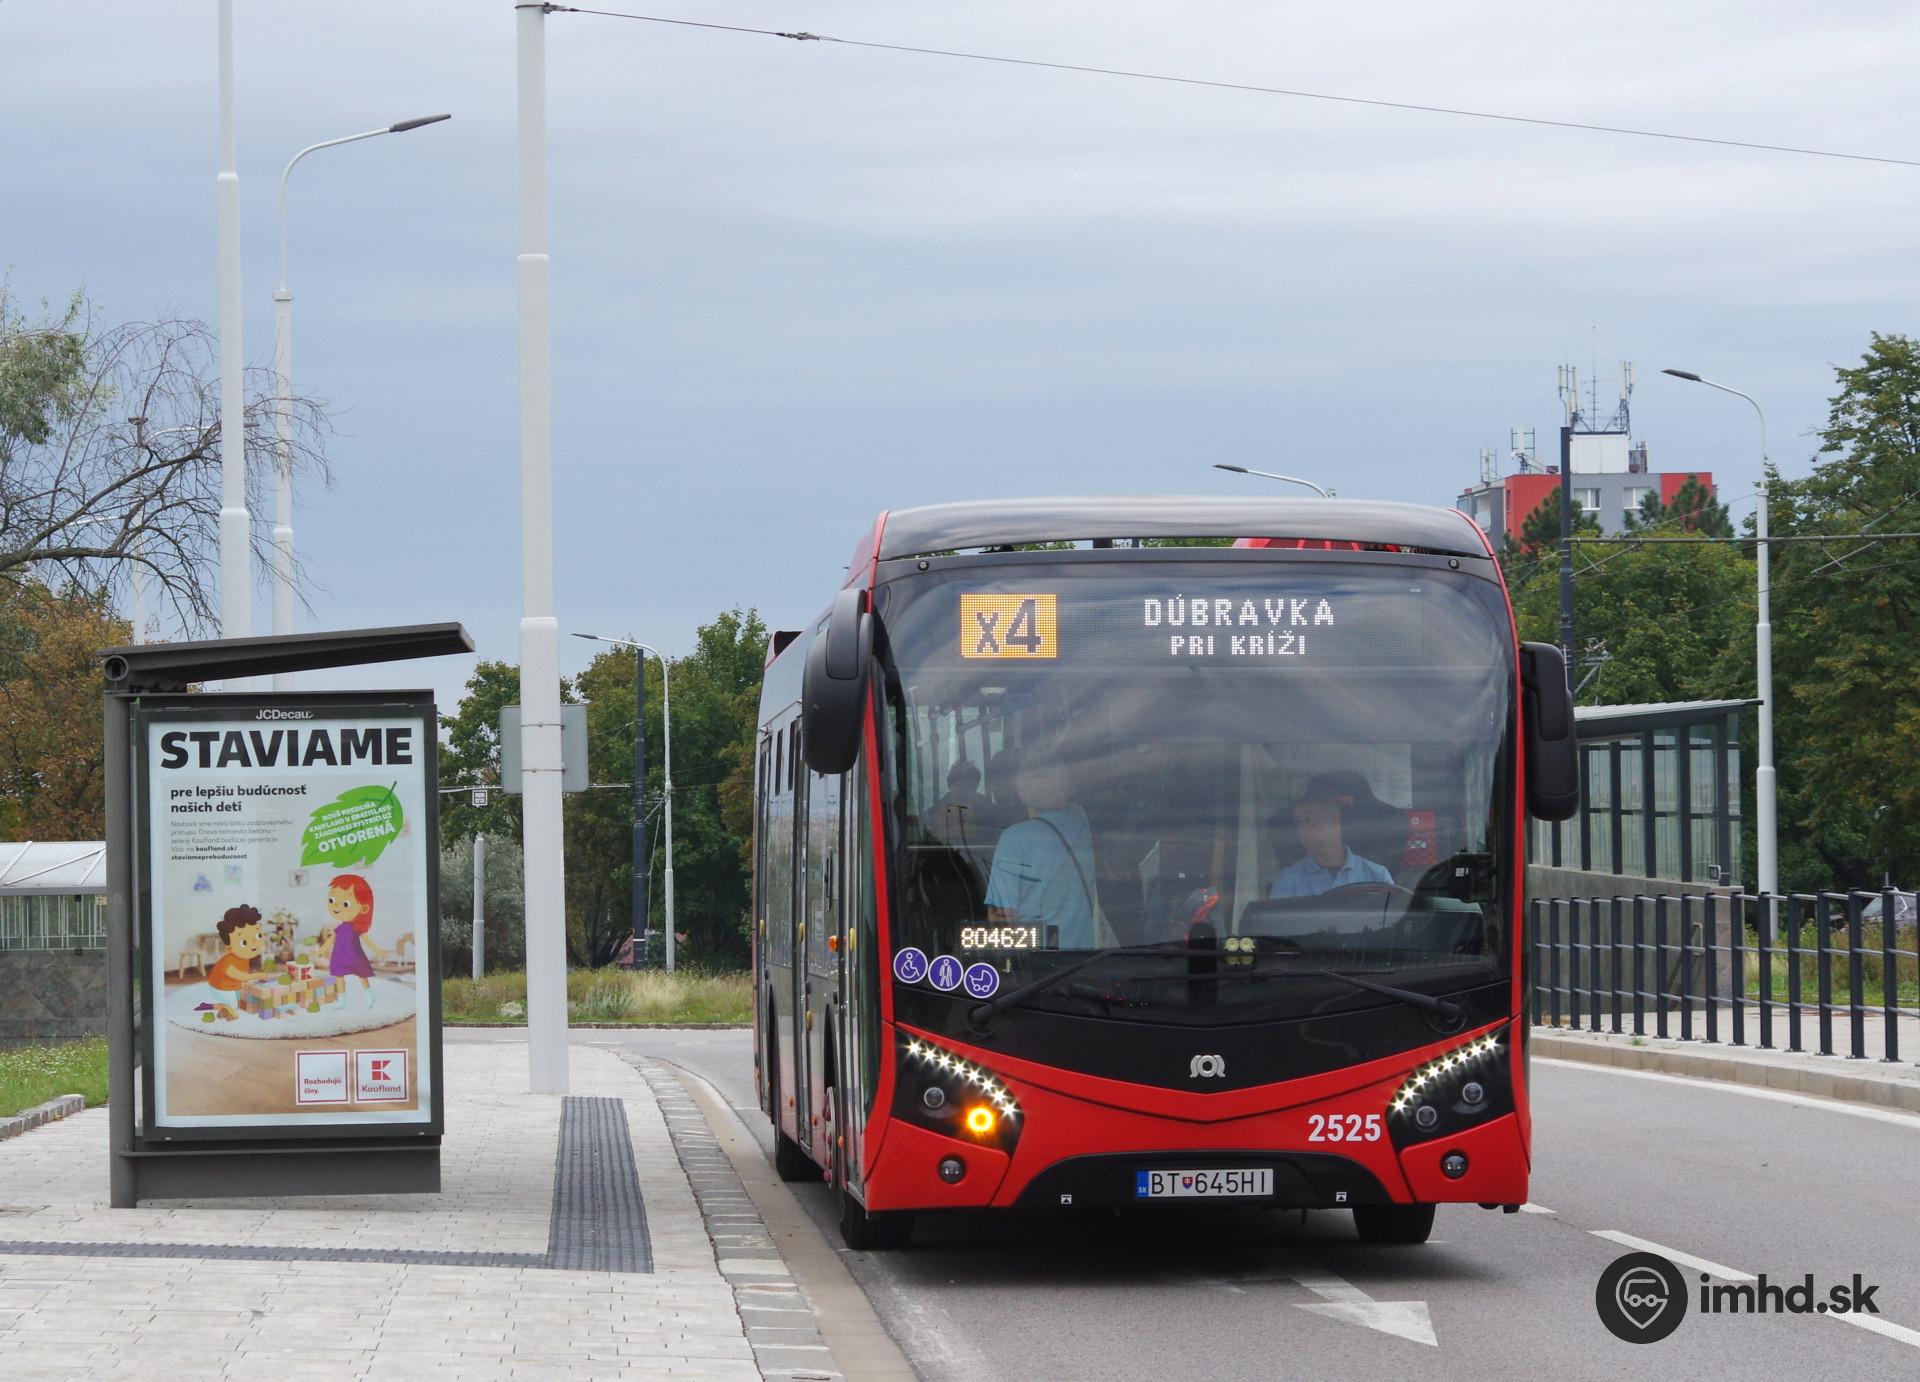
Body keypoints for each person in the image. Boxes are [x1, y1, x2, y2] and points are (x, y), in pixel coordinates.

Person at [985, 748, 1099, 948]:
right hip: (1088, 956)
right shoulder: (1080, 818)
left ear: (1019, 788)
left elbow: (1001, 921)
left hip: (1039, 962)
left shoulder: (1013, 839)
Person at [1269, 776, 1395, 897]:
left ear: (1334, 819)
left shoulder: (1377, 876)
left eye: (1309, 819)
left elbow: (1394, 918)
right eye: (1299, 822)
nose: (1303, 828)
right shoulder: (1287, 881)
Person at [324, 874, 390, 1010]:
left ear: (364, 909)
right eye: (332, 900)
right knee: (339, 977)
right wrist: (321, 950)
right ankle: (342, 1000)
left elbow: (366, 939)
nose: (336, 906)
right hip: (339, 956)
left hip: (354, 955)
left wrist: (377, 949)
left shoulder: (356, 927)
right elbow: (331, 940)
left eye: (345, 904)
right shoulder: (340, 928)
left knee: (362, 975)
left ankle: (370, 995)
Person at [930, 759, 990, 848]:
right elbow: (934, 837)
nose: (964, 791)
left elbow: (992, 832)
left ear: (977, 786)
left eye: (970, 787)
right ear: (950, 786)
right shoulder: (936, 810)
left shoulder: (985, 806)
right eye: (959, 786)